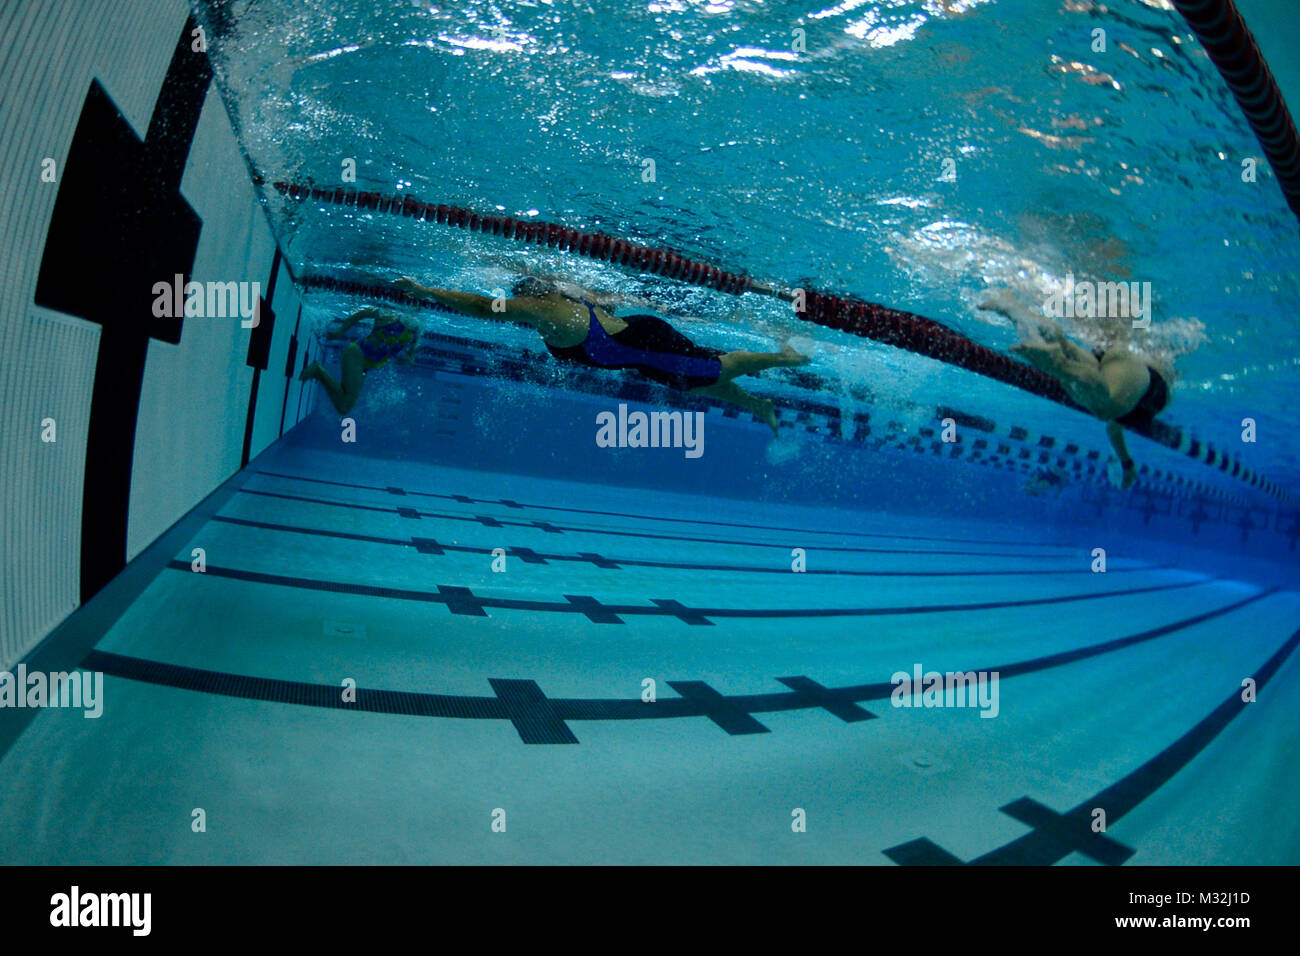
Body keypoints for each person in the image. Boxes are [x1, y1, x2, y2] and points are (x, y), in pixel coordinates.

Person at [392, 275, 809, 435]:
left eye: (520, 296)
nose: (517, 302)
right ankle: (759, 405)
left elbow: (484, 307)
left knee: (717, 367)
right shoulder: (560, 308)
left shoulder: (549, 311)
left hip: (648, 345)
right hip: (642, 353)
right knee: (692, 383)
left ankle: (787, 357)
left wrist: (427, 292)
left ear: (533, 295)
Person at [980, 289, 1170, 489]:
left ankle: (1023, 317)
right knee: (1105, 408)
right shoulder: (1146, 385)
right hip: (1136, 369)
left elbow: (1114, 430)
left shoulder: (1128, 406)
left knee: (1072, 353)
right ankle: (1057, 364)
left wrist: (1127, 463)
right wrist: (1126, 462)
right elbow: (1113, 425)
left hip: (1110, 363)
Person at [298, 306, 419, 414]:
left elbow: (410, 354)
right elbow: (362, 313)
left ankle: (318, 372)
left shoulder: (416, 331)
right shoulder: (392, 314)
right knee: (345, 405)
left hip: (366, 366)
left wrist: (407, 359)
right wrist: (341, 330)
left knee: (345, 407)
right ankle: (318, 371)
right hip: (357, 354)